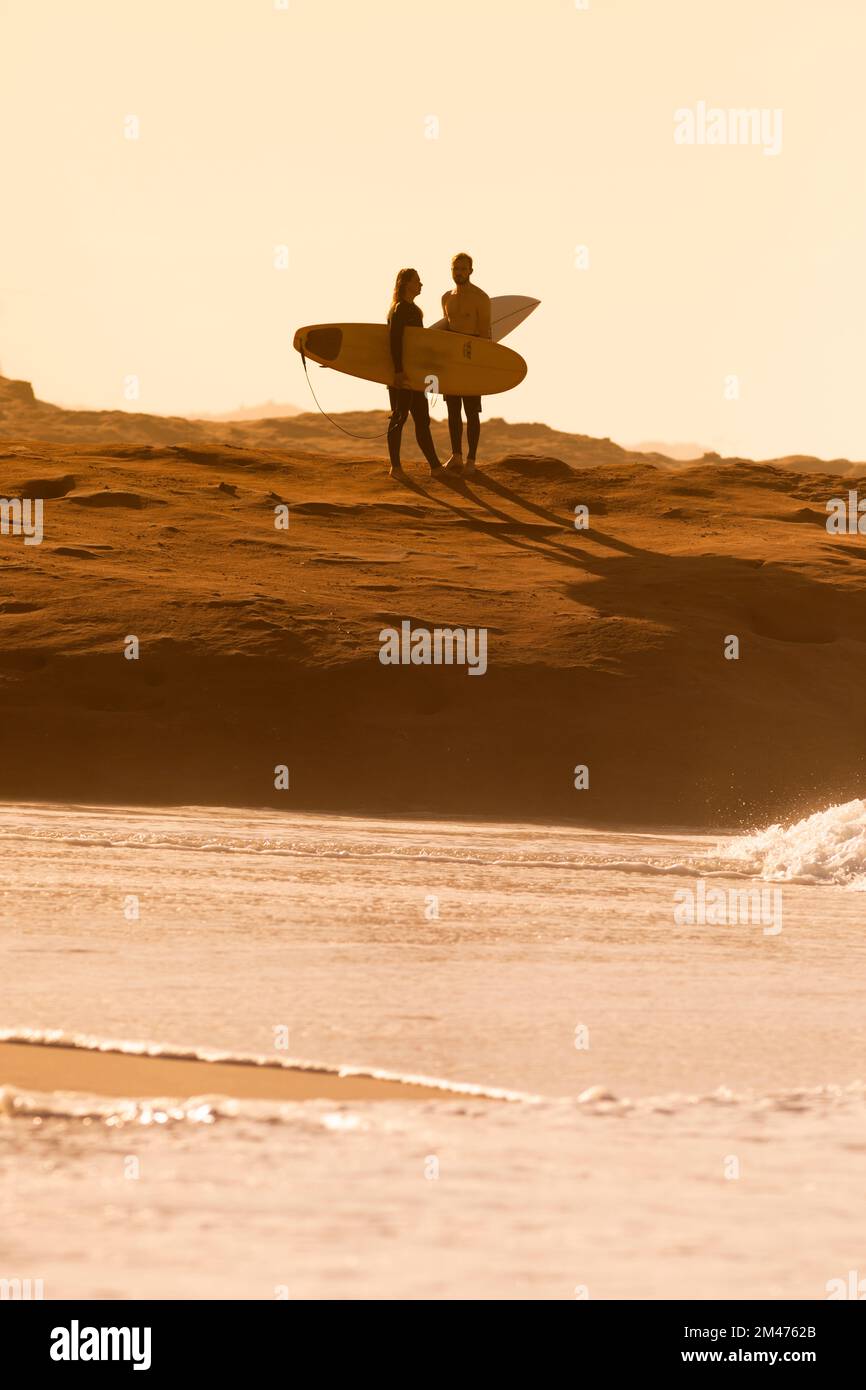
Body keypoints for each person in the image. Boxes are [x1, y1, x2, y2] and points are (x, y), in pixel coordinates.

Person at [386, 268, 443, 479]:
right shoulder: (399, 309)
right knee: (399, 418)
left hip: (416, 375)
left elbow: (417, 343)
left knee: (422, 419)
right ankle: (396, 468)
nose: (421, 284)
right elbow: (395, 340)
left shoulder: (414, 310)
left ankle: (436, 467)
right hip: (402, 374)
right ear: (407, 283)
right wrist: (399, 371)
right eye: (418, 281)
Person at [440, 252, 491, 475]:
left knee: (471, 412)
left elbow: (484, 335)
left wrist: (480, 367)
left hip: (471, 361)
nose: (459, 272)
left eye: (463, 269)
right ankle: (456, 456)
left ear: (471, 270)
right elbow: (446, 330)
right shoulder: (446, 298)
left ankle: (471, 460)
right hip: (452, 362)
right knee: (452, 409)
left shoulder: (480, 298)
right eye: (455, 269)